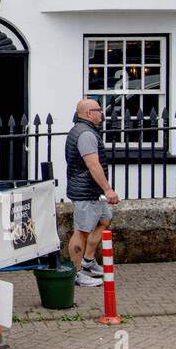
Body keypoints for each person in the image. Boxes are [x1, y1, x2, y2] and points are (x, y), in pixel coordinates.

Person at [64, 98, 120, 287]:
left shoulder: (83, 130)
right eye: (98, 110)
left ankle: (88, 262)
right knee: (81, 231)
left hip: (90, 190)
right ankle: (76, 273)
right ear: (89, 114)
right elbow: (92, 164)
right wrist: (107, 189)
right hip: (86, 191)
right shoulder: (86, 134)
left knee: (104, 220)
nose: (101, 114)